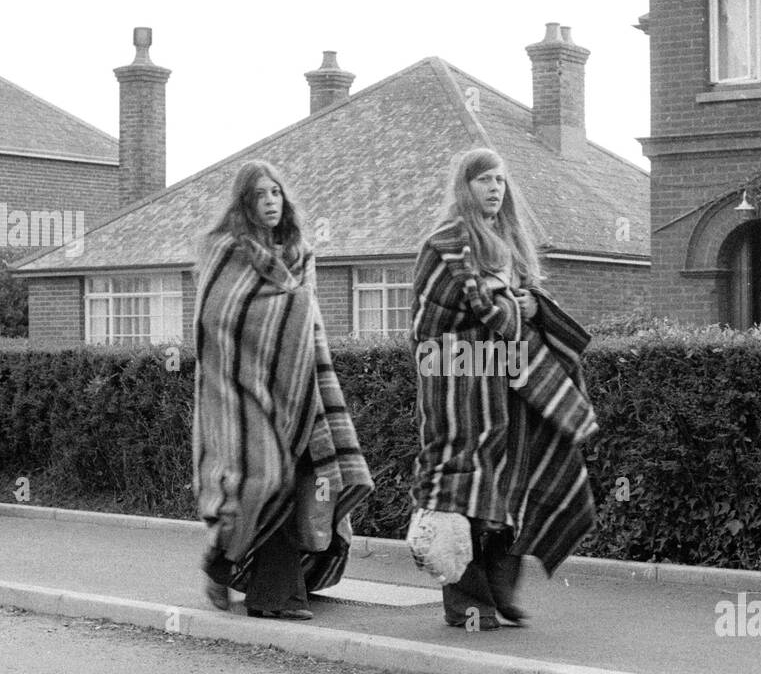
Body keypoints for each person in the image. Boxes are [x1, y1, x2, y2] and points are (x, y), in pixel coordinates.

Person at [411, 148, 599, 629]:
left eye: (500, 180)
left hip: (515, 387)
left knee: (514, 486)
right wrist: (506, 317)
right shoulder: (443, 247)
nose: (495, 188)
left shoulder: (511, 243)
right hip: (464, 394)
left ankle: (500, 589)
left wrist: (532, 309)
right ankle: (469, 602)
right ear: (464, 188)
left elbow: (527, 307)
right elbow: (427, 330)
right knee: (465, 489)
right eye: (484, 180)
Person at [193, 161, 373, 619]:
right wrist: (288, 309)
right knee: (266, 479)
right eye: (259, 194)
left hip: (300, 385)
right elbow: (217, 322)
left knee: (304, 482)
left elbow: (308, 324)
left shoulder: (298, 253)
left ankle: (277, 593)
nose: (271, 201)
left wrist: (297, 333)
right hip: (242, 392)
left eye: (276, 192)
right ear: (244, 203)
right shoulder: (227, 253)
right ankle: (224, 562)